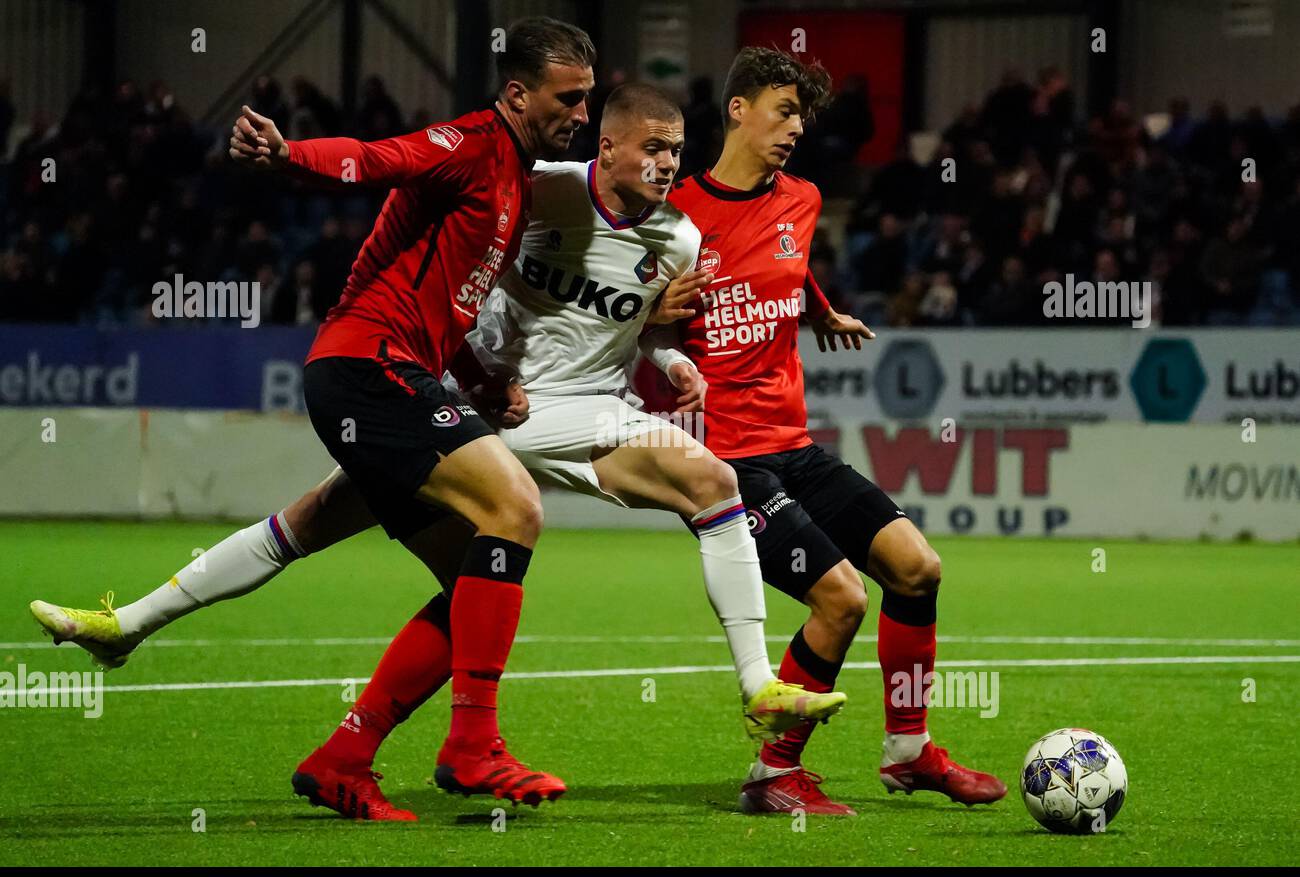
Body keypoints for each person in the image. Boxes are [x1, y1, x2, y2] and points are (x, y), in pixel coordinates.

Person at [31, 80, 846, 819]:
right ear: (609, 146)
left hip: (583, 410)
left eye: (676, 150)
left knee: (706, 481)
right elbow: (418, 194)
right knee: (321, 520)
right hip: (487, 405)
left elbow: (645, 333)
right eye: (655, 148)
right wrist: (296, 162)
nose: (670, 165)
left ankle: (752, 684)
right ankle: (140, 629)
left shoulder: (678, 238)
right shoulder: (538, 189)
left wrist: (673, 362)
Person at [645, 46, 1008, 814]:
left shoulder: (803, 198)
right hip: (726, 464)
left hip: (795, 445)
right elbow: (628, 332)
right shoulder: (672, 217)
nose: (796, 129)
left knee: (917, 568)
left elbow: (788, 260)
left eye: (802, 117)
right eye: (784, 111)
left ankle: (908, 750)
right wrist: (657, 320)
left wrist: (817, 307)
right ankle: (773, 773)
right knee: (841, 600)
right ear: (738, 108)